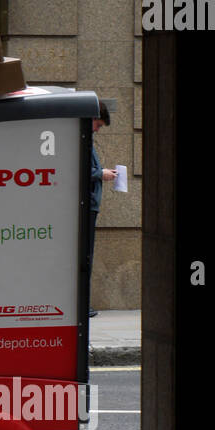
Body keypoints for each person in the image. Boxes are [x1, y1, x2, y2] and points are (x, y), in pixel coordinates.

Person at [88, 100, 117, 317]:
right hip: (87, 205)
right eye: (97, 125)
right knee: (85, 255)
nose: (97, 130)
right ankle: (82, 304)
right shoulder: (80, 140)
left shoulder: (86, 140)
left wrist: (102, 171)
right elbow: (77, 168)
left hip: (90, 205)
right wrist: (100, 174)